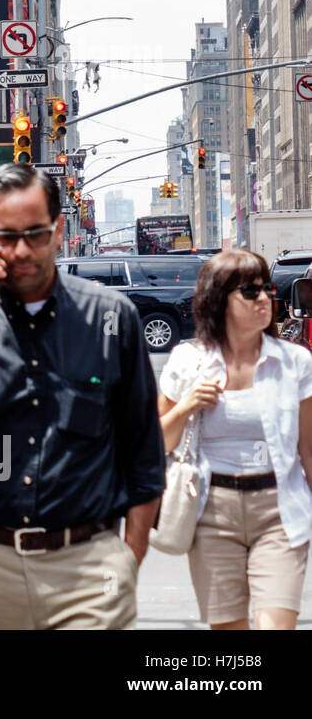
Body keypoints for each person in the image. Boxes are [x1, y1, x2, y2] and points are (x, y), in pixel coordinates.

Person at [0, 164, 165, 629]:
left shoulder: (110, 317)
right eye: (5, 236)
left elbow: (143, 451)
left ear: (59, 229)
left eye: (35, 234)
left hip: (87, 567)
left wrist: (129, 556)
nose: (21, 250)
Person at [157, 250, 312, 630]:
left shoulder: (295, 363)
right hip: (212, 512)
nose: (264, 299)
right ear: (218, 300)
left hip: (280, 511)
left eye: (266, 289)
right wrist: (188, 405)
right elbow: (157, 441)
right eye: (249, 291)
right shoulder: (187, 362)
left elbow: (308, 447)